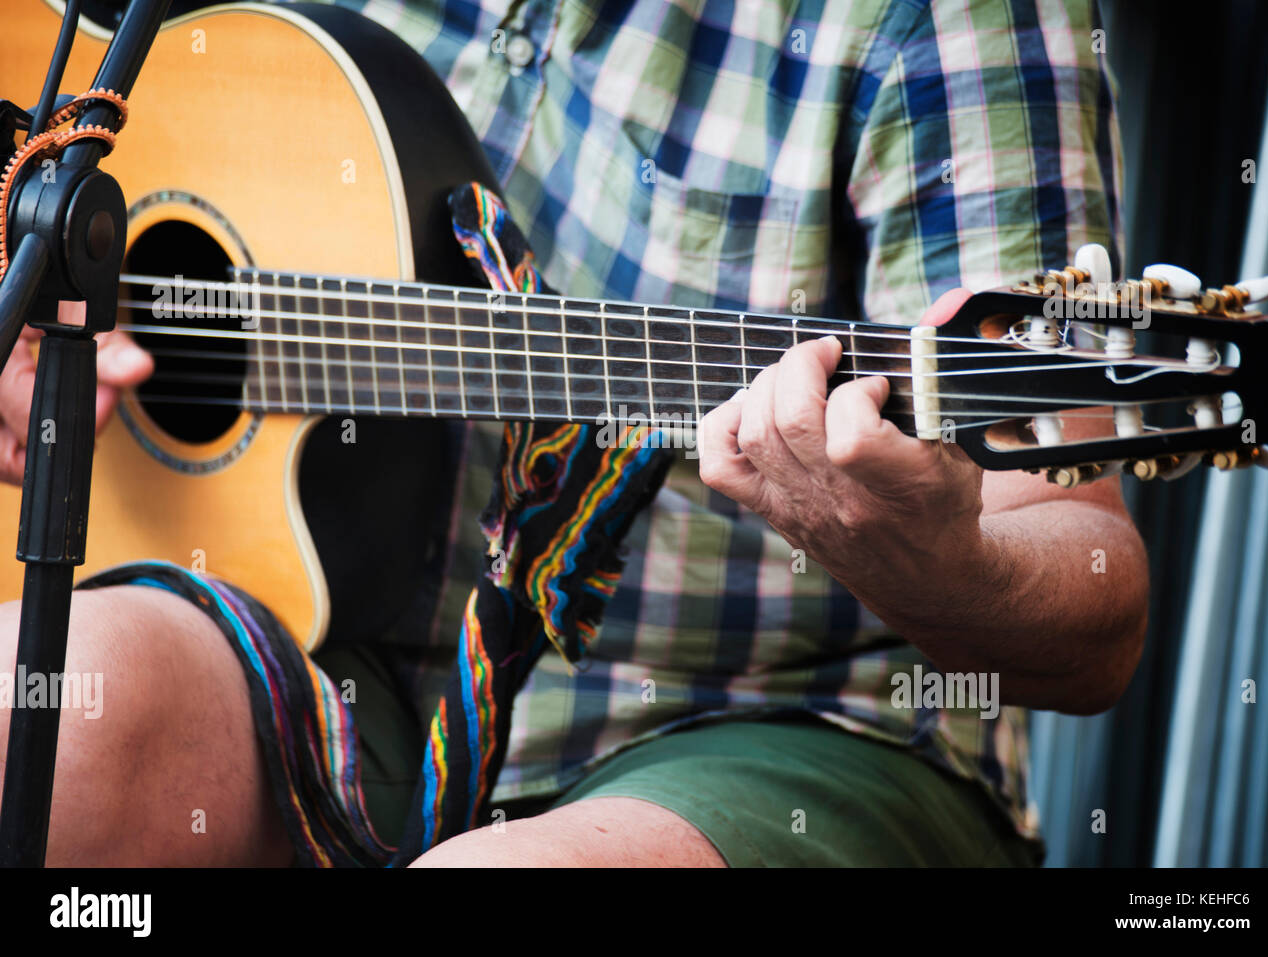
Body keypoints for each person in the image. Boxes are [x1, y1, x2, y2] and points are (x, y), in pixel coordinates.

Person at [0, 0, 1146, 866]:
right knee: (28, 724)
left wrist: (930, 560)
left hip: (768, 726)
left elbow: (1094, 601)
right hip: (314, 638)